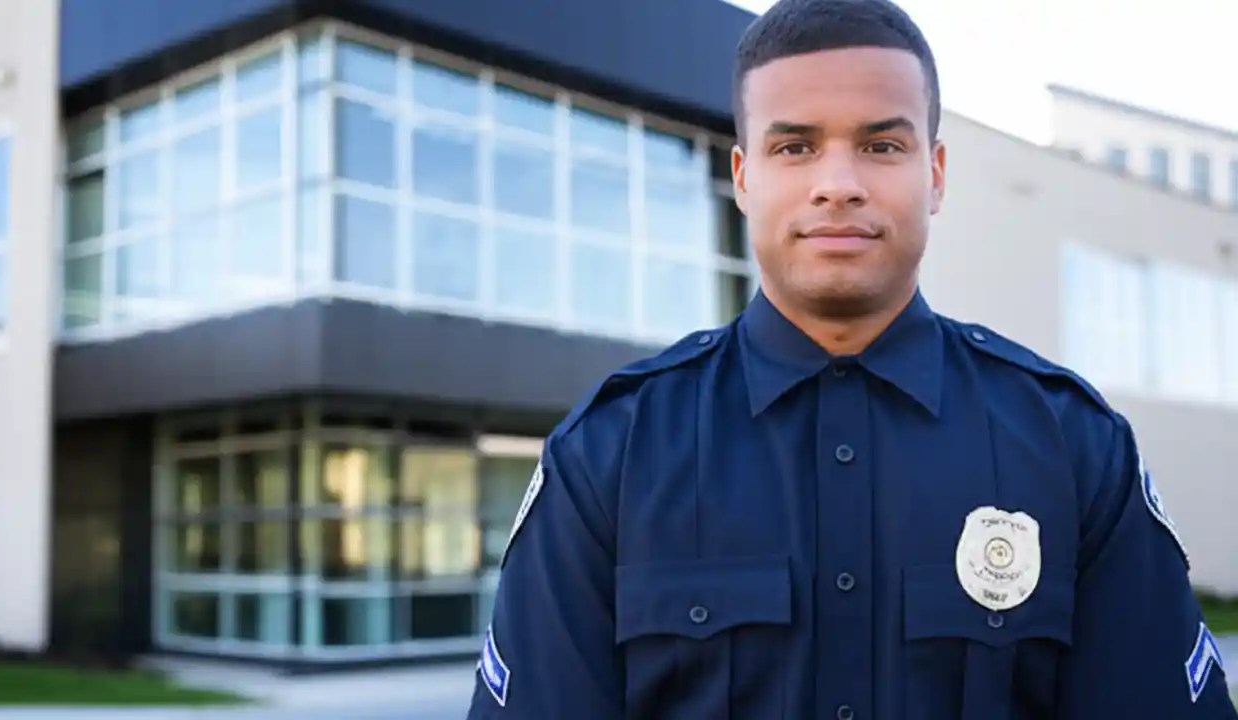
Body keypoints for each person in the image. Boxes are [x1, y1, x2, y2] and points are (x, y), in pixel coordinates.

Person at [465, 0, 1237, 716]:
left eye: (881, 145)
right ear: (743, 177)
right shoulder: (611, 452)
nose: (838, 185)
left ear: (933, 174)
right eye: (795, 146)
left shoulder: (1072, 445)